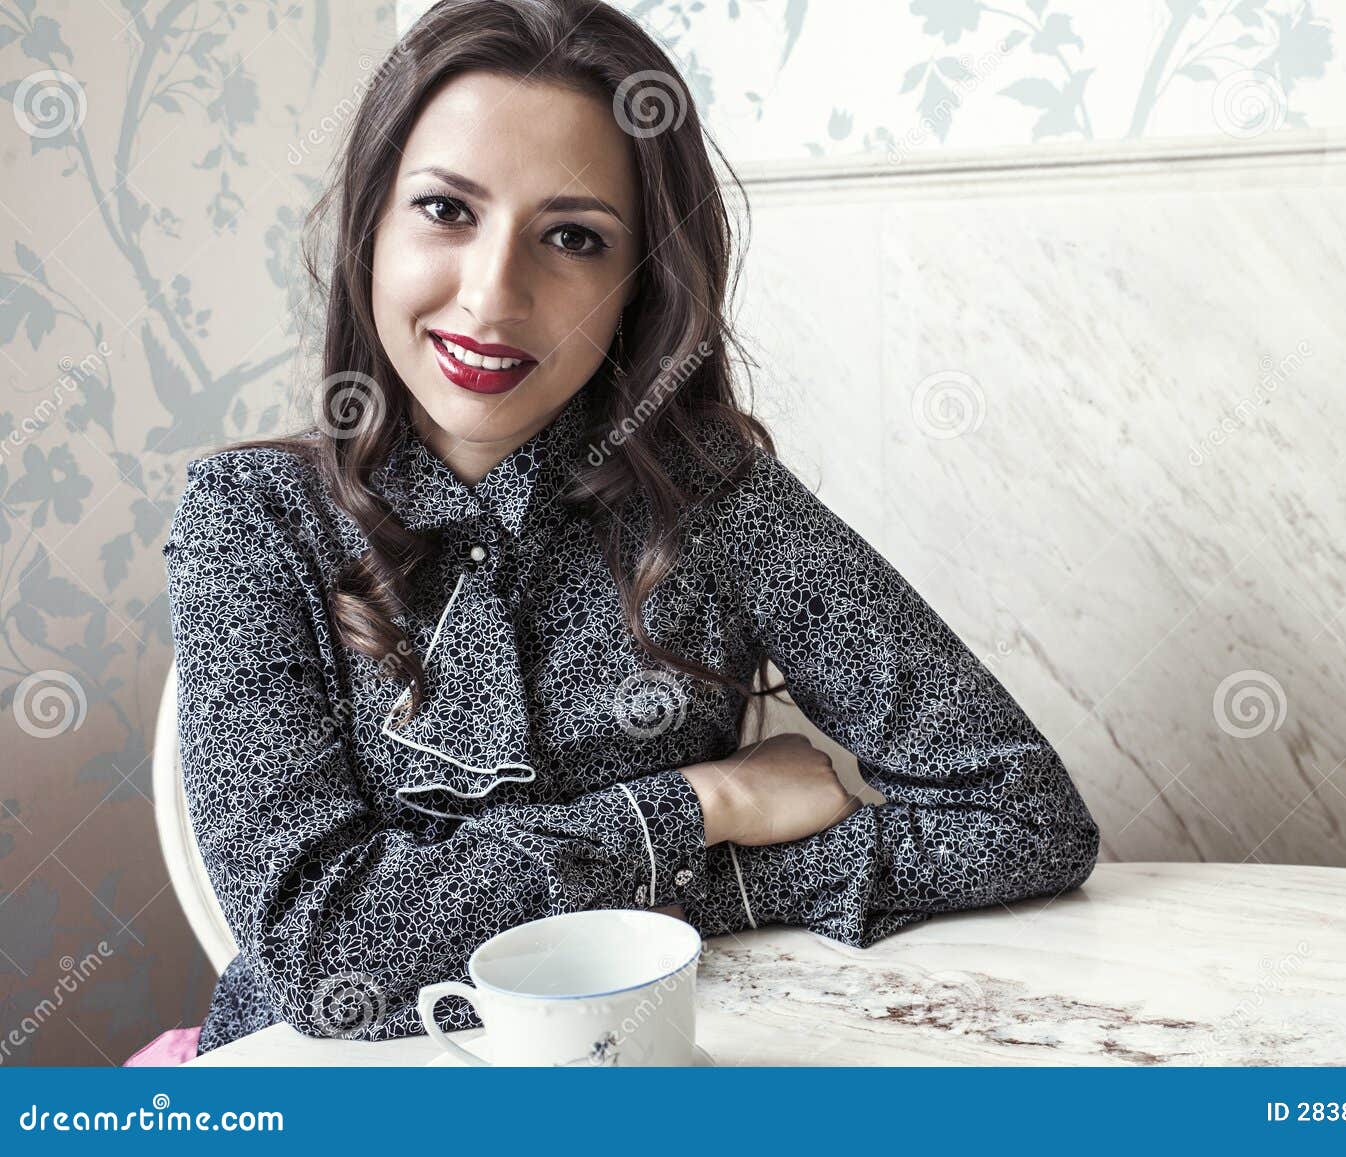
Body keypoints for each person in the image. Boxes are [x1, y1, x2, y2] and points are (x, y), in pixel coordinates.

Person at [127, 0, 1099, 1065]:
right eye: (447, 210)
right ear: (371, 226)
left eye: (573, 238)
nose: (492, 297)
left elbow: (1022, 814)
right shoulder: (249, 518)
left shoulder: (717, 498)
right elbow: (326, 956)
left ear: (641, 285)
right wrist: (703, 804)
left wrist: (705, 888)